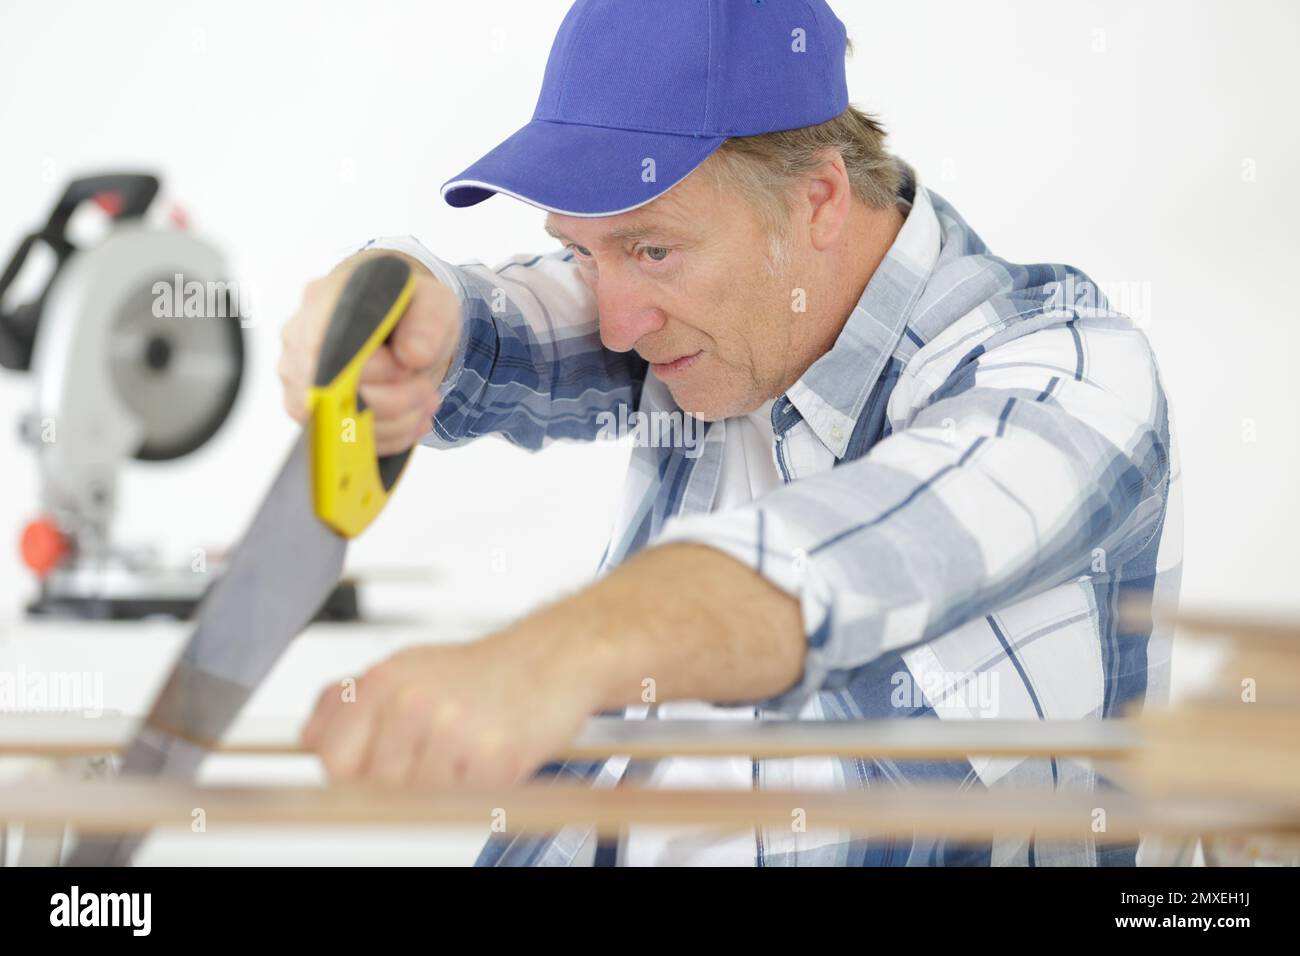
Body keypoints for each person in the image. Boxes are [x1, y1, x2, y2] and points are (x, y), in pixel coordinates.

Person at [281, 0, 1182, 866]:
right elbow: (480, 324)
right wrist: (390, 303)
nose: (619, 323)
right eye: (587, 252)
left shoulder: (1068, 377)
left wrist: (555, 656)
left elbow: (839, 562)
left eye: (652, 250)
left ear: (820, 200)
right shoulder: (712, 313)